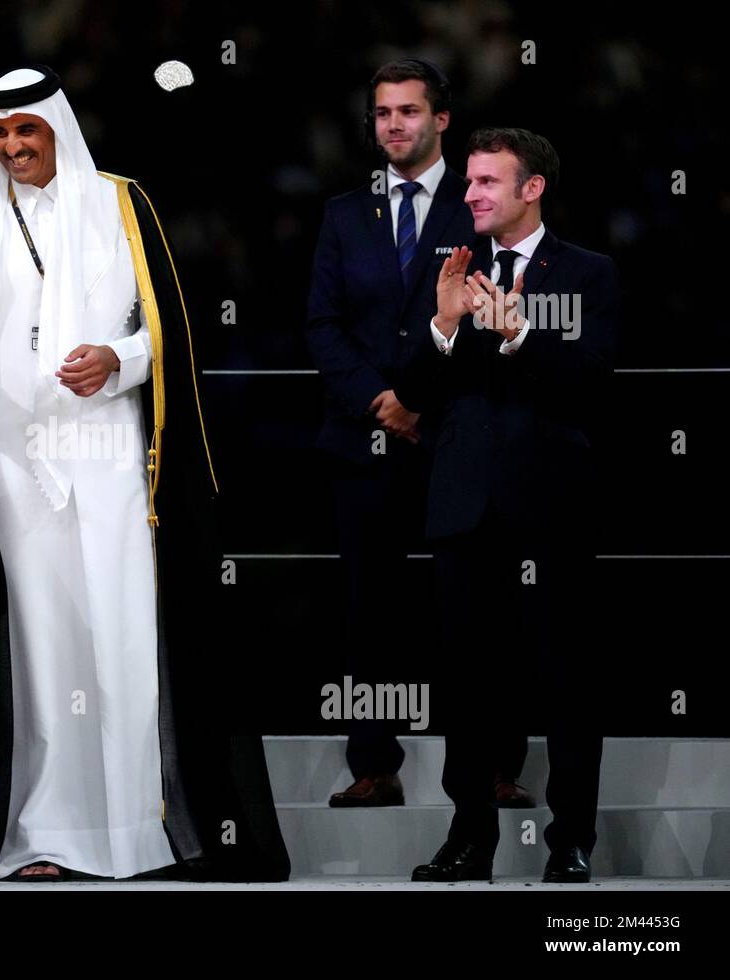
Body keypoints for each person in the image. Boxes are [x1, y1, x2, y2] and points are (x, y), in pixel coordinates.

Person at [0, 65, 290, 881]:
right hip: (7, 472)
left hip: (112, 464)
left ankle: (131, 832)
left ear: (57, 129)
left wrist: (118, 359)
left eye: (26, 132)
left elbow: (170, 333)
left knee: (120, 641)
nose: (12, 149)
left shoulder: (121, 204)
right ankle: (40, 833)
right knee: (36, 653)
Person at [308, 59, 532, 809]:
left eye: (408, 111)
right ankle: (374, 765)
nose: (394, 125)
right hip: (364, 443)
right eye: (382, 113)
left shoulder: (479, 208)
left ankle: (496, 767)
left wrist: (420, 404)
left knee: (478, 607)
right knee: (369, 611)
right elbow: (322, 327)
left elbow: (498, 316)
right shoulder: (344, 214)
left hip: (455, 442)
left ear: (441, 120)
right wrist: (382, 400)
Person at [400, 129, 618, 883]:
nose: (470, 195)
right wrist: (445, 324)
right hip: (464, 507)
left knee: (564, 680)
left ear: (533, 189)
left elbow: (593, 384)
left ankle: (571, 843)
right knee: (467, 684)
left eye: (489, 182)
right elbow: (411, 396)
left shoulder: (589, 273)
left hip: (552, 508)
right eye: (468, 183)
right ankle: (470, 843)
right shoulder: (453, 272)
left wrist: (521, 332)